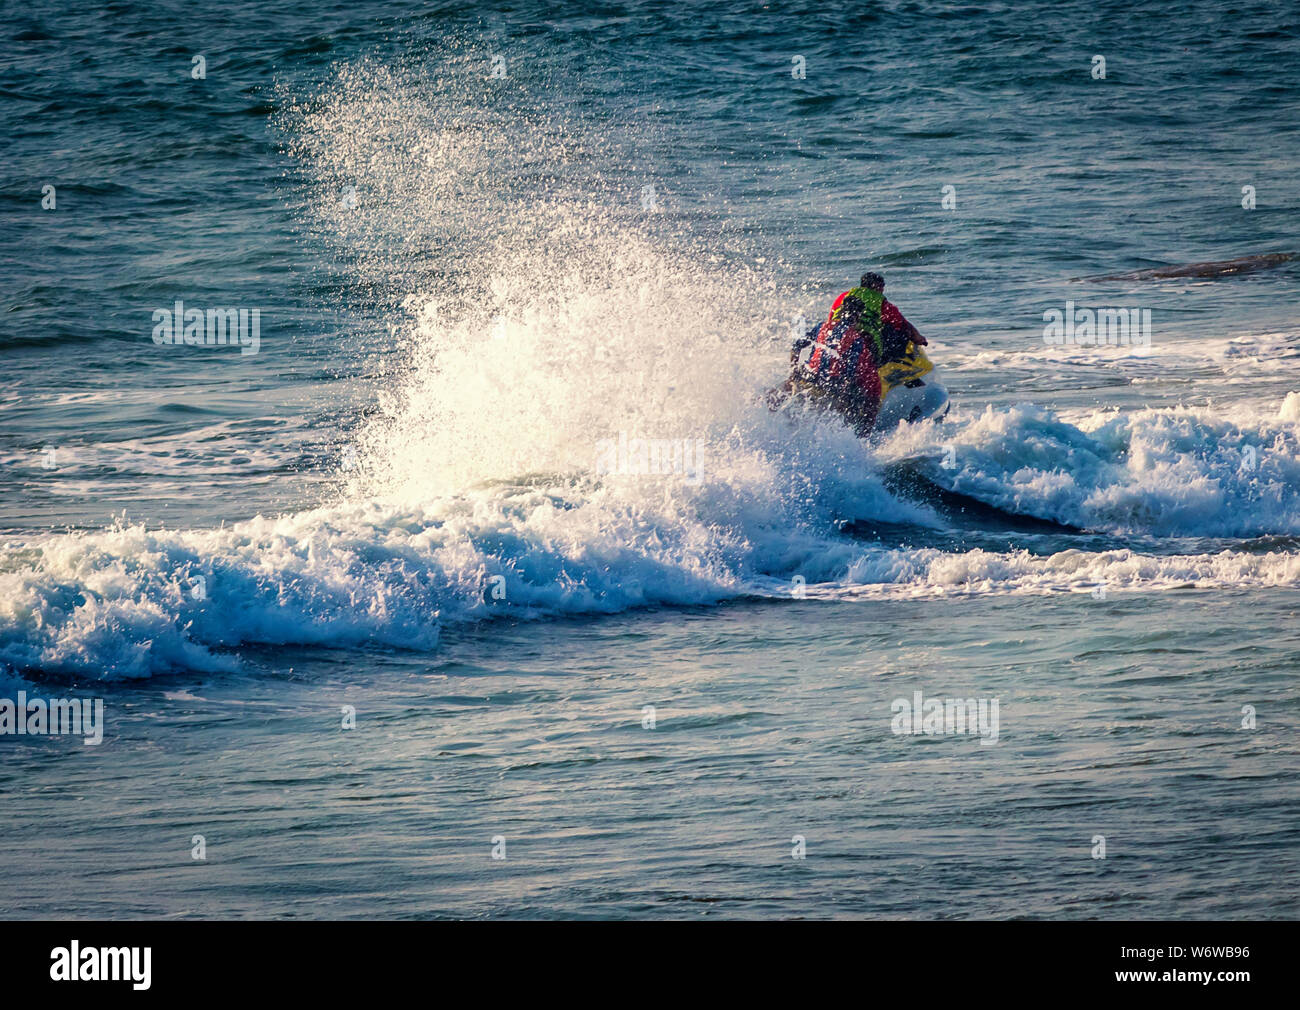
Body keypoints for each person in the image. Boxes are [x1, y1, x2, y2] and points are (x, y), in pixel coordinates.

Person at [770, 272, 926, 437]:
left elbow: (796, 346)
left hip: (810, 375)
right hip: (838, 381)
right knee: (872, 393)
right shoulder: (863, 331)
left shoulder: (826, 321)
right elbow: (904, 326)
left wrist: (793, 370)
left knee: (793, 381)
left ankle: (769, 408)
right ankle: (864, 437)